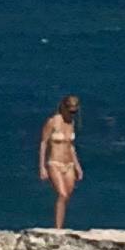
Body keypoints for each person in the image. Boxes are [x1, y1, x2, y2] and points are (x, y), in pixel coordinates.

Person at [38, 94, 82, 230]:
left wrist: (78, 166)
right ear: (64, 107)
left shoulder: (71, 123)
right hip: (54, 162)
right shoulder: (53, 122)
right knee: (62, 194)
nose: (72, 113)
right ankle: (57, 229)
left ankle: (61, 226)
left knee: (67, 196)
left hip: (69, 164)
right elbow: (44, 143)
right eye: (70, 110)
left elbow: (71, 146)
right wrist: (42, 167)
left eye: (74, 111)